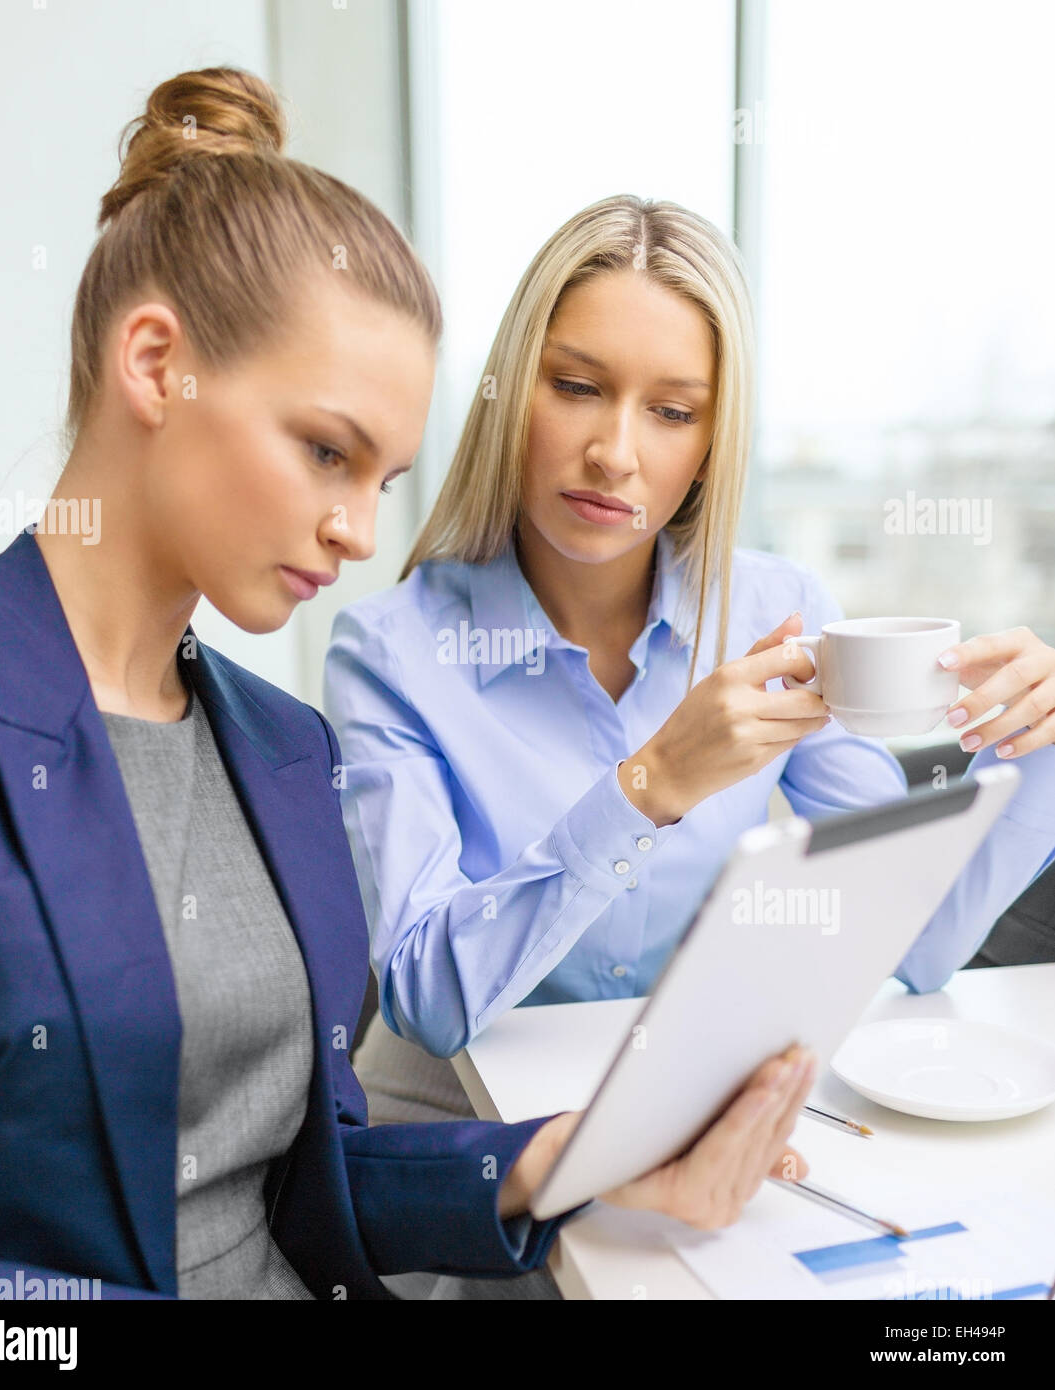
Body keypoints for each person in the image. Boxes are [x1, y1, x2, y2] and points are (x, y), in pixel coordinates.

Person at [0, 68, 818, 1303]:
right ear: (156, 364)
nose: (357, 532)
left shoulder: (284, 751)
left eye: (384, 479)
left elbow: (305, 1183)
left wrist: (561, 1163)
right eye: (325, 451)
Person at [324, 194, 1055, 1158]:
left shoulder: (777, 610)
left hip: (673, 1127)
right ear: (508, 394)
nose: (614, 454)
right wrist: (649, 786)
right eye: (575, 386)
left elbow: (913, 946)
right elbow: (427, 999)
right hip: (459, 1149)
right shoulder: (389, 653)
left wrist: (1039, 739)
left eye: (672, 412)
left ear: (711, 445)